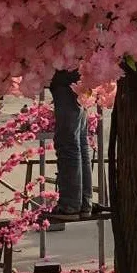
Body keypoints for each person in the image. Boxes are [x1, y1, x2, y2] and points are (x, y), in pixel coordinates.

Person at [47, 69, 93, 228]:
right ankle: (84, 202)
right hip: (78, 79)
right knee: (79, 143)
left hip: (66, 80)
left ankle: (70, 205)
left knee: (68, 143)